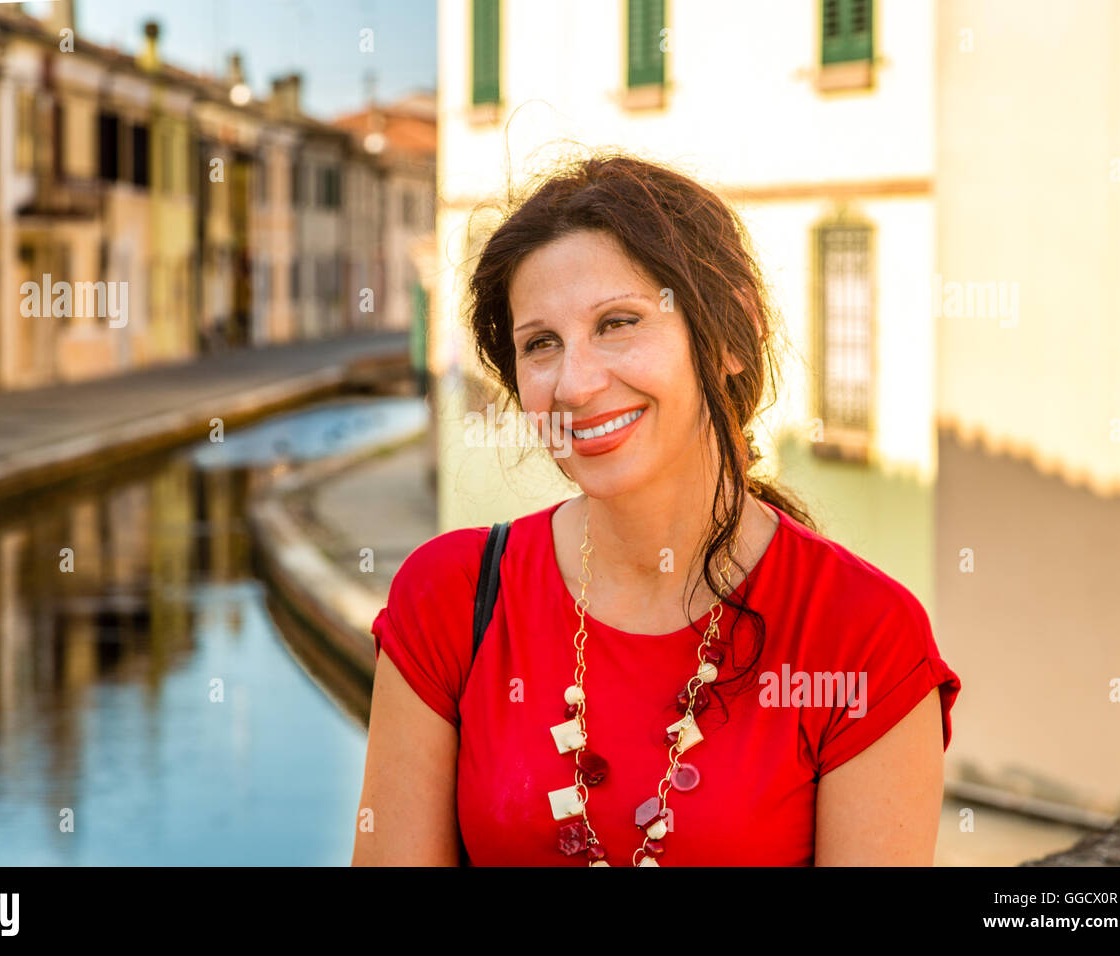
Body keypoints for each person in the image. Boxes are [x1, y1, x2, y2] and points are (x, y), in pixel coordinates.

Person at [352, 154, 960, 866]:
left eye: (618, 322)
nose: (575, 384)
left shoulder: (863, 641)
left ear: (733, 331)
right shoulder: (449, 602)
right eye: (540, 343)